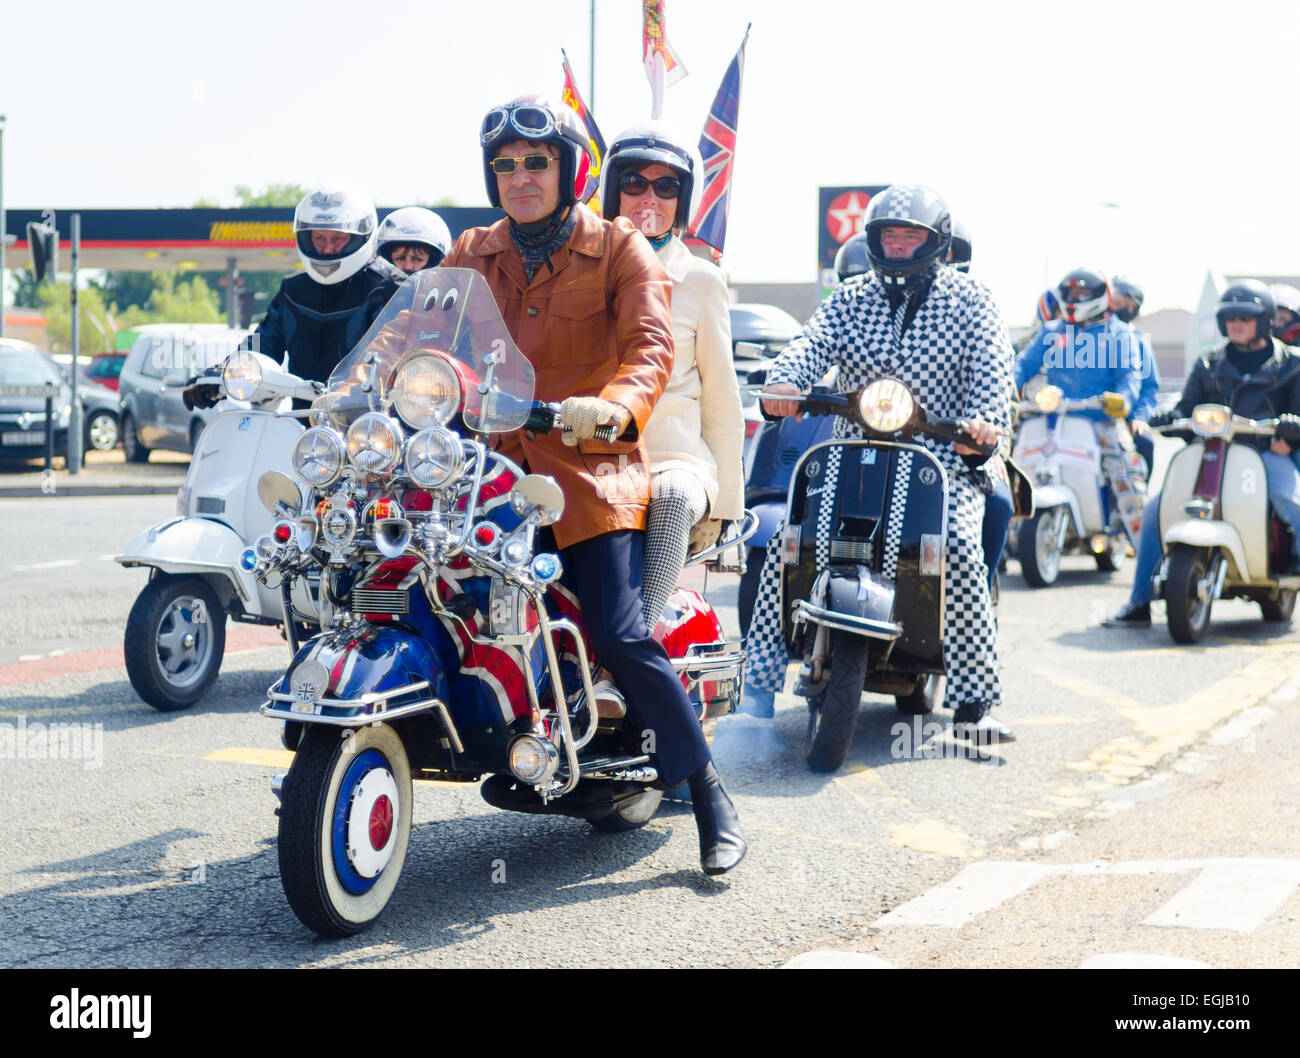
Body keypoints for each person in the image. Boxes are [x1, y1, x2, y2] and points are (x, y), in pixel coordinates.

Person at [442, 96, 745, 875]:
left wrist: (614, 408)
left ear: (570, 169)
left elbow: (649, 352)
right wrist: (367, 386)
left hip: (589, 469)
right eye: (504, 166)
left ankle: (706, 788)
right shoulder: (471, 251)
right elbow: (416, 333)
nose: (519, 178)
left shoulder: (621, 252)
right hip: (484, 470)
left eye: (536, 163)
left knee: (618, 629)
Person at [746, 183, 1016, 744]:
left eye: (909, 236)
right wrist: (784, 380)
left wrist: (984, 423)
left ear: (935, 242)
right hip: (851, 449)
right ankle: (759, 684)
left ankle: (974, 705)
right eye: (888, 236)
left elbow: (993, 378)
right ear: (873, 241)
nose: (897, 246)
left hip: (941, 455)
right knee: (786, 541)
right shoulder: (849, 298)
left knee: (961, 549)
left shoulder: (973, 300)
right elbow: (810, 342)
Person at [597, 121, 745, 633]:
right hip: (590, 455)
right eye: (634, 182)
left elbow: (724, 402)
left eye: (666, 186)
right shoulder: (578, 272)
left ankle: (638, 640)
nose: (648, 197)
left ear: (684, 200)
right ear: (612, 190)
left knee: (675, 494)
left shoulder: (702, 280)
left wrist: (727, 508)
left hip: (673, 460)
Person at [1103, 280, 1300, 626]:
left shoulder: (1291, 365)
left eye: (1245, 316)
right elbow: (1186, 406)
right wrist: (1163, 417)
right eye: (1229, 317)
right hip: (1212, 455)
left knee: (1293, 501)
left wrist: (1291, 427)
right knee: (1154, 511)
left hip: (1266, 454)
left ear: (1265, 320)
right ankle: (1139, 601)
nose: (1236, 322)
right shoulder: (1209, 362)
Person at [245, 184, 404, 383]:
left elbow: (398, 354)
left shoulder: (392, 288)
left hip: (368, 410)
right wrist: (221, 373)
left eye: (338, 238)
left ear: (360, 236)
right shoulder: (293, 289)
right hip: (302, 412)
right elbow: (261, 344)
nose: (328, 248)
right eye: (319, 238)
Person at [1112, 274, 1160, 477]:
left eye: (1129, 305)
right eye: (1118, 302)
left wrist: (1139, 417)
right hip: (1094, 409)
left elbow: (1149, 387)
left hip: (1126, 415)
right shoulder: (1095, 337)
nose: (1124, 308)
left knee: (1145, 442)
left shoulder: (1139, 342)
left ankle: (1139, 498)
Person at [376, 206, 453, 275]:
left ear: (432, 261)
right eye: (400, 258)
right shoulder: (375, 289)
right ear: (388, 258)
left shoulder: (444, 289)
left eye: (418, 259)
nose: (408, 266)